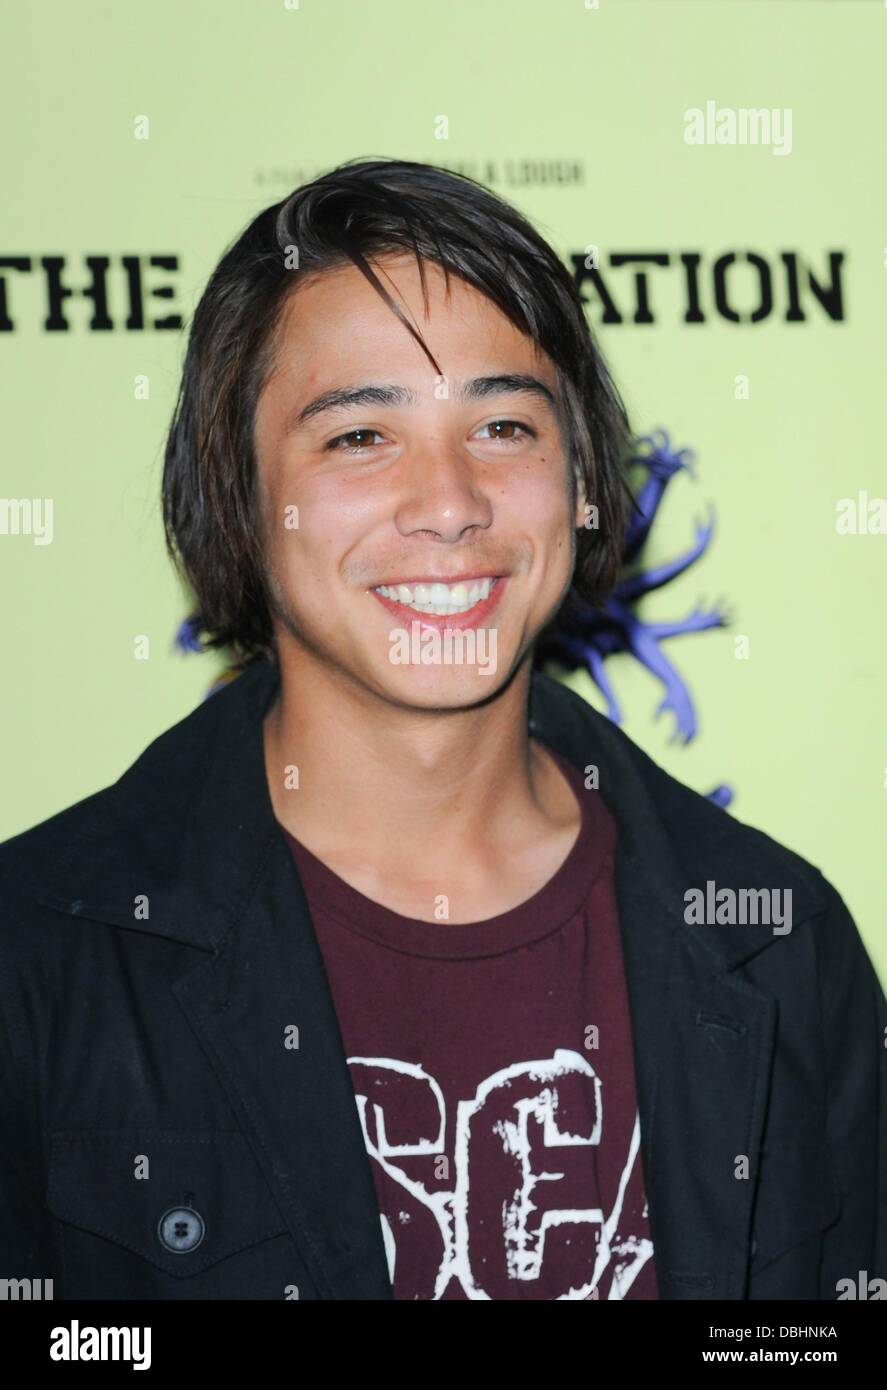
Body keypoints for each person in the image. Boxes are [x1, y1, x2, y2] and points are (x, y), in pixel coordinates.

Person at [0, 158, 883, 1301]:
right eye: (360, 436)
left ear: (578, 482)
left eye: (505, 424)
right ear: (232, 494)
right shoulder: (40, 956)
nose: (451, 500)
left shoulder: (775, 941)